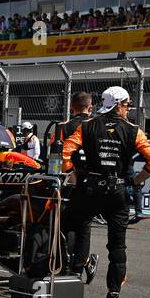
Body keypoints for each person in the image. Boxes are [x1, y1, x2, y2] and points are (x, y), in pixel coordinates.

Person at [61, 85, 150, 298]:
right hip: (117, 193)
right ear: (119, 104)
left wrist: (74, 174)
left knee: (75, 228)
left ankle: (70, 288)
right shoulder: (133, 130)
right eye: (127, 105)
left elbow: (66, 152)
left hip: (89, 190)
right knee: (117, 247)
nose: (128, 109)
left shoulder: (87, 125)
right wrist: (137, 181)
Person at [51, 91, 96, 276]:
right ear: (90, 107)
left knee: (63, 222)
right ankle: (80, 265)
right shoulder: (97, 126)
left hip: (69, 181)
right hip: (92, 181)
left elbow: (55, 156)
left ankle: (64, 262)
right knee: (84, 225)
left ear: (71, 107)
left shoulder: (63, 127)